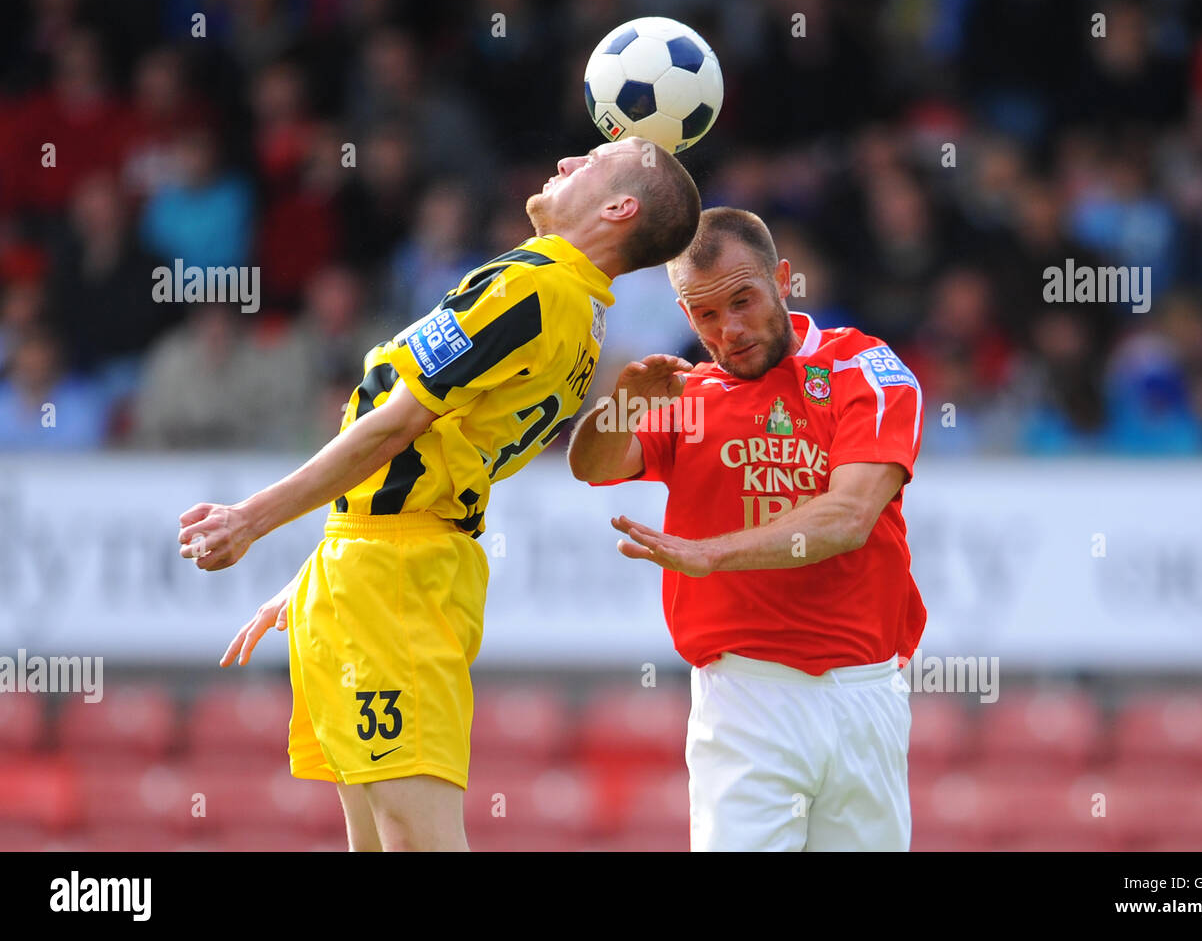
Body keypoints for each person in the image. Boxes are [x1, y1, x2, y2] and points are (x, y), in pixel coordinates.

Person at [175, 137, 700, 851]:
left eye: (595, 162)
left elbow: (396, 428)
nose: (569, 160)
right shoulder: (567, 305)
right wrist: (324, 564)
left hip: (398, 583)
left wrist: (251, 519)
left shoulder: (537, 289)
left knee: (414, 837)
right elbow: (448, 455)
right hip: (371, 569)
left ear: (619, 206)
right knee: (378, 837)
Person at [568, 207, 925, 851]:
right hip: (744, 699)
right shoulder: (689, 393)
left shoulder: (865, 370)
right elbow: (591, 466)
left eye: (743, 301)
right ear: (686, 315)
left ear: (782, 280)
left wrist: (712, 554)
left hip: (863, 691)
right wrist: (624, 403)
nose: (729, 330)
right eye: (705, 315)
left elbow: (848, 517)